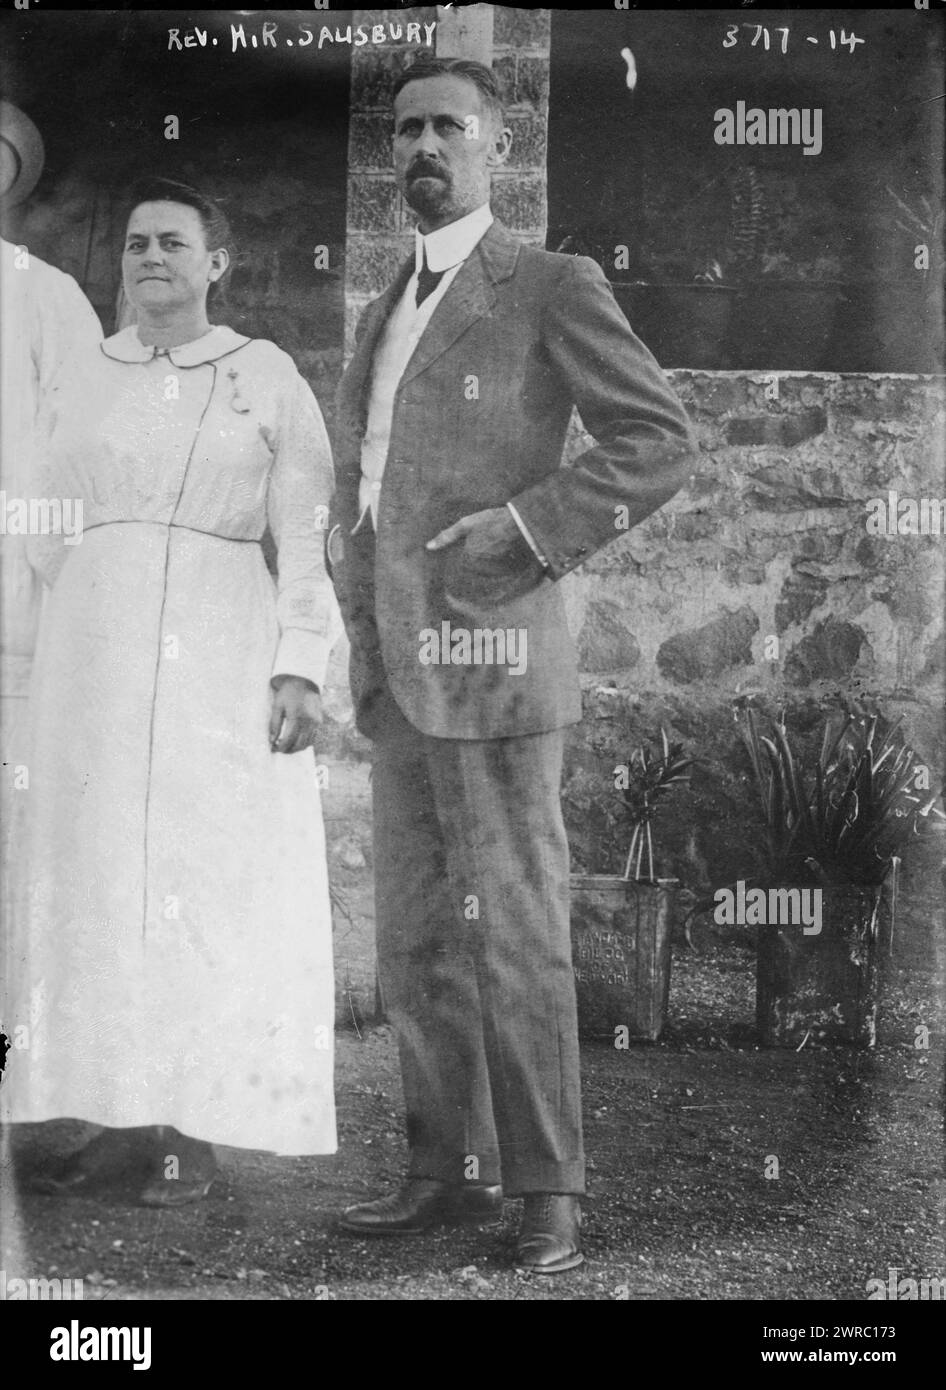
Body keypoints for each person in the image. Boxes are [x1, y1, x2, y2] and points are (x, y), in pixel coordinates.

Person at [329, 58, 697, 1272]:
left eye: (448, 125)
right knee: (416, 937)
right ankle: (440, 1169)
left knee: (516, 931)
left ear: (498, 145)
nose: (423, 146)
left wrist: (529, 531)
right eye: (406, 130)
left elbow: (655, 440)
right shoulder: (388, 303)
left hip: (494, 659)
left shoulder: (546, 283)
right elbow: (368, 482)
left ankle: (546, 1194)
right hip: (397, 675)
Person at [2, 177, 339, 1204]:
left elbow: (307, 524)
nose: (152, 258)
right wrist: (105, 597)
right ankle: (110, 1114)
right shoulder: (87, 377)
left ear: (216, 264)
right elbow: (40, 512)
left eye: (175, 244)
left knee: (203, 876)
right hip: (94, 654)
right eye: (138, 243)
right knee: (101, 872)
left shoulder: (262, 372)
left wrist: (298, 660)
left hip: (221, 639)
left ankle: (193, 1130)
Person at [0, 105, 103, 1026]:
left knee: (17, 845)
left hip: (15, 621)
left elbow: (76, 455)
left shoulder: (46, 298)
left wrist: (56, 583)